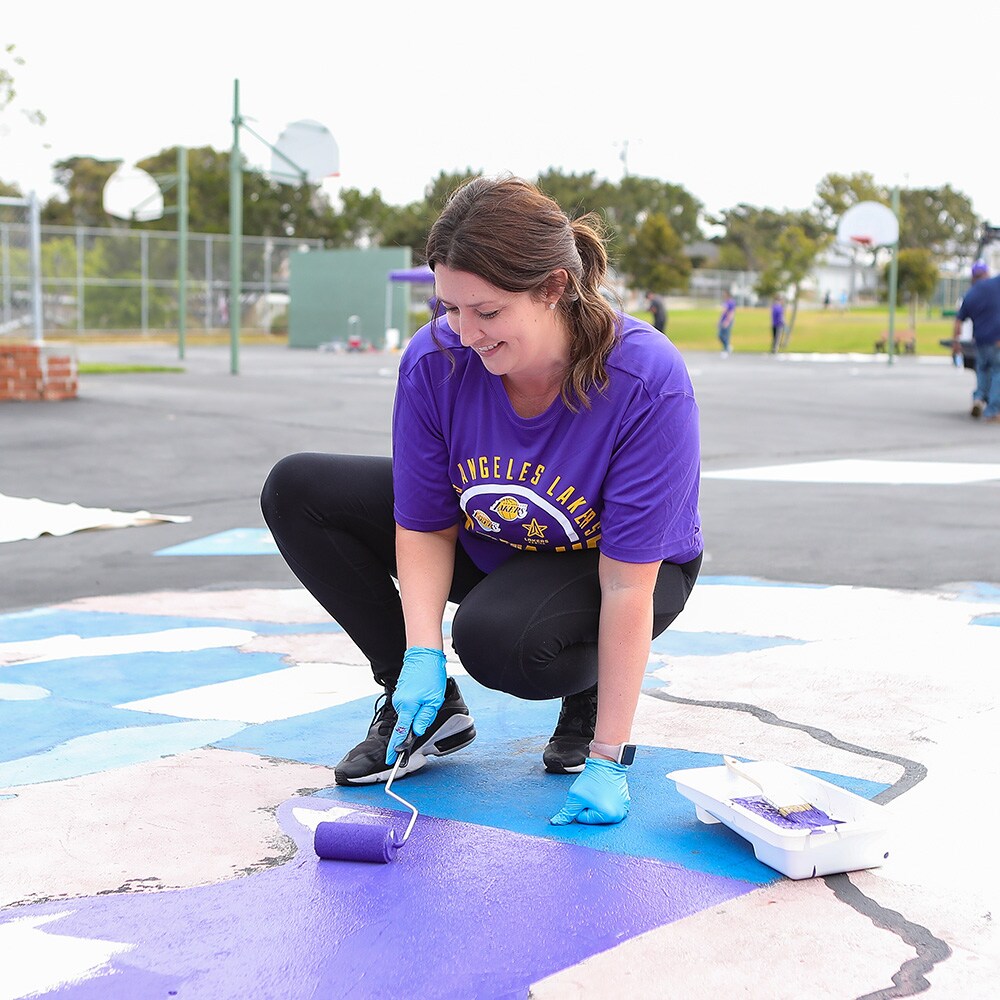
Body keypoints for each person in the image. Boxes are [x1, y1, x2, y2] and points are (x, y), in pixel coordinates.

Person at [261, 176, 703, 827]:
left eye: (487, 312)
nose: (464, 333)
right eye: (449, 307)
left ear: (553, 287)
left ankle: (584, 698)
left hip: (620, 570)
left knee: (499, 640)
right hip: (496, 538)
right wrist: (420, 656)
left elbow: (627, 585)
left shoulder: (643, 379)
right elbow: (424, 524)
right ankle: (427, 708)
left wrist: (608, 757)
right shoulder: (435, 360)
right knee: (298, 489)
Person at [953, 259, 1000, 422]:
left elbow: (958, 321)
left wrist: (955, 343)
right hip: (997, 340)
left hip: (980, 341)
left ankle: (979, 399)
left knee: (983, 370)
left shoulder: (970, 294)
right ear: (986, 273)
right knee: (997, 373)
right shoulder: (996, 284)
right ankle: (993, 411)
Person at [717, 291, 736, 356]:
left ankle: (726, 348)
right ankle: (727, 347)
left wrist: (728, 321)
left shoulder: (731, 302)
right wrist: (719, 321)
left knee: (725, 335)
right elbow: (723, 312)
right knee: (720, 335)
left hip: (727, 321)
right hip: (723, 320)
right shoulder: (725, 302)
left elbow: (731, 313)